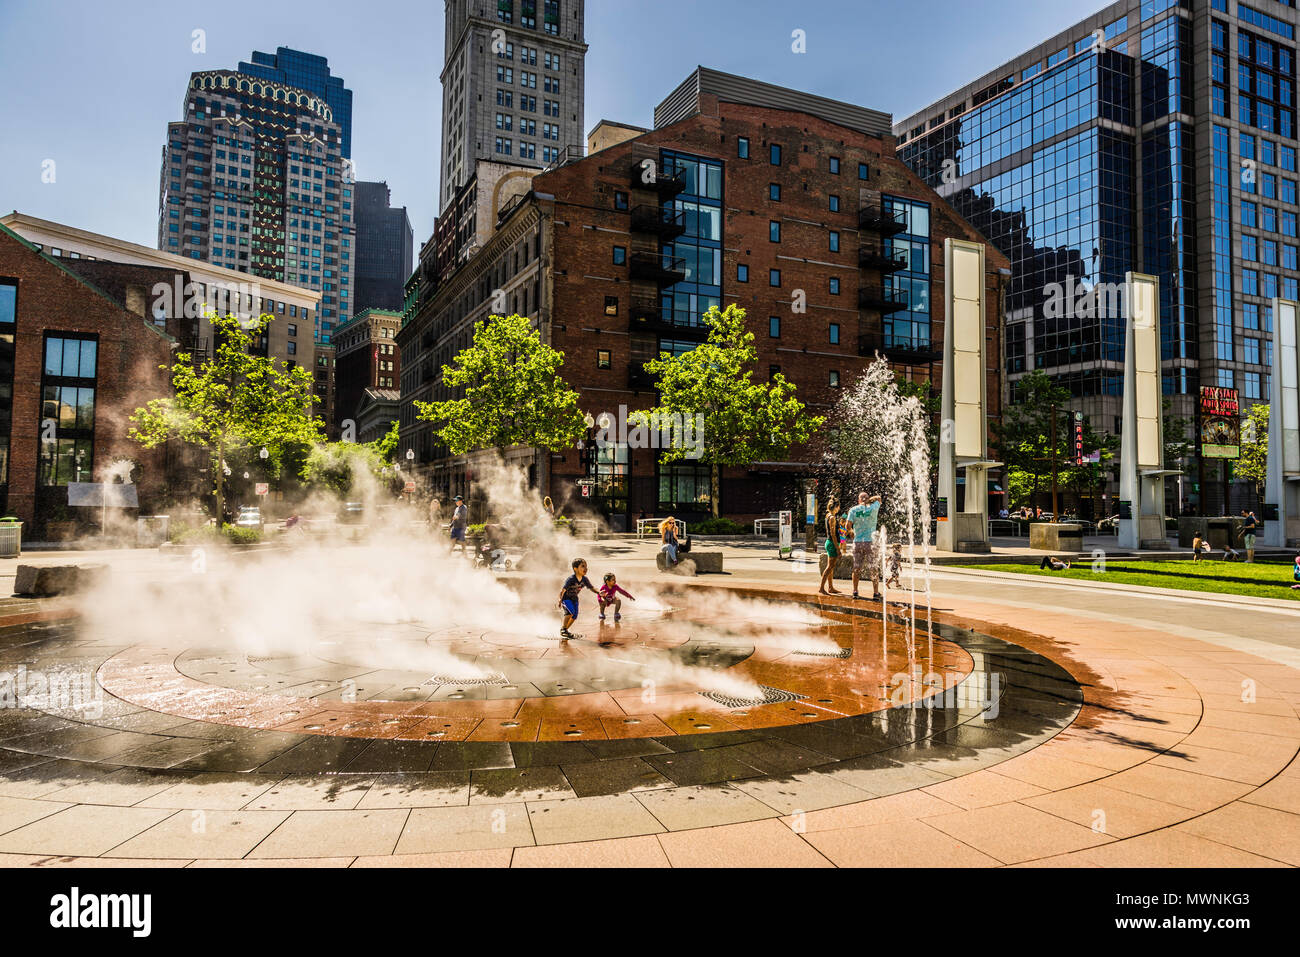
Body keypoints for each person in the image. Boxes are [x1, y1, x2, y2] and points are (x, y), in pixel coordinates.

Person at [846, 491, 883, 601]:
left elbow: (847, 525)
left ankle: (855, 591)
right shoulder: (874, 507)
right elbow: (879, 498)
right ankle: (876, 593)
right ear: (867, 499)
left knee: (856, 568)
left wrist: (852, 533)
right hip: (871, 543)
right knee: (873, 568)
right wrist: (869, 500)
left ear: (858, 500)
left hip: (858, 542)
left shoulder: (853, 510)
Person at [558, 557, 598, 639]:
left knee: (575, 616)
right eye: (583, 566)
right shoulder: (571, 579)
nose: (585, 568)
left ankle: (565, 629)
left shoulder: (585, 579)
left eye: (586, 566)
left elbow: (591, 588)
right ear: (575, 569)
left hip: (574, 599)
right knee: (570, 612)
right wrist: (560, 600)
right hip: (566, 598)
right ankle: (563, 630)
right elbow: (563, 590)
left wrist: (599, 592)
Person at [819, 499, 843, 597]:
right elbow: (833, 535)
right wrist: (838, 549)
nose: (839, 509)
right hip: (832, 544)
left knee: (831, 567)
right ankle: (821, 588)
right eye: (839, 506)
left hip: (829, 542)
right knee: (830, 567)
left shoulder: (827, 515)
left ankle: (830, 587)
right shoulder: (832, 518)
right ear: (836, 507)